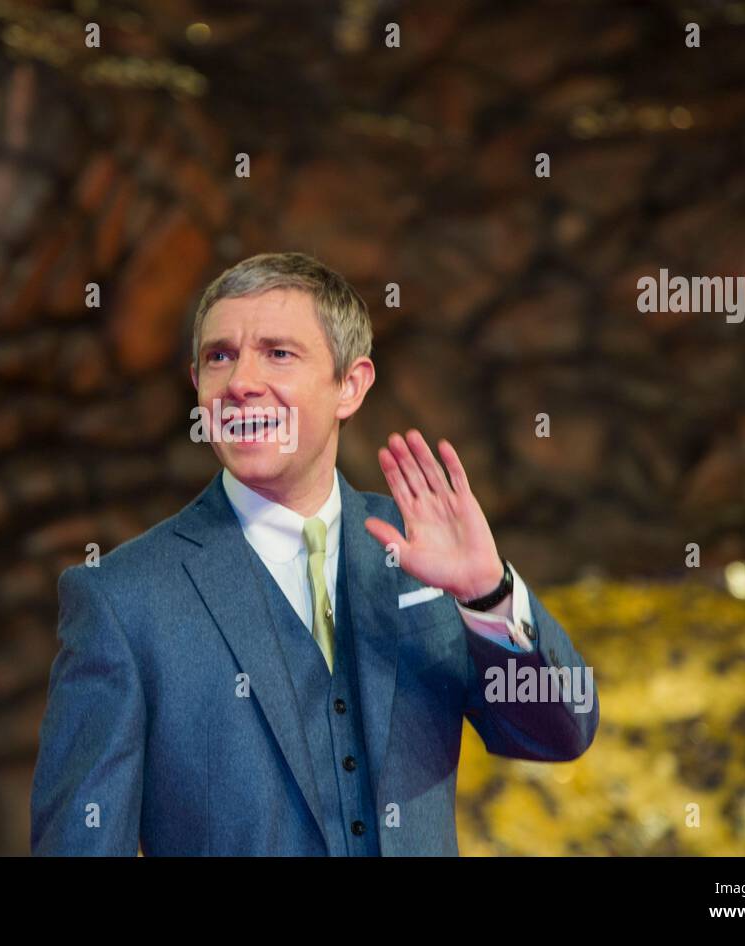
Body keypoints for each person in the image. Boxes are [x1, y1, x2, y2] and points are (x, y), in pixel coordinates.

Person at [30, 251, 598, 855]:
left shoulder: (424, 551)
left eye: (278, 353)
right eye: (219, 356)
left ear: (349, 386)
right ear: (197, 384)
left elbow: (560, 733)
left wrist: (487, 592)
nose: (242, 382)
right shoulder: (123, 599)